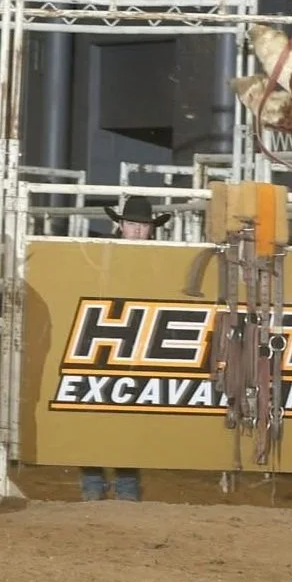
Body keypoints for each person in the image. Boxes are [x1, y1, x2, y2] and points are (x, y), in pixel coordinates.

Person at [79, 195, 172, 502]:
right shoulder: (100, 255)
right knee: (93, 412)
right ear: (120, 225)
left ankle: (124, 482)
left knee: (130, 415)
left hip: (136, 343)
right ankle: (95, 480)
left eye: (142, 226)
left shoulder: (157, 261)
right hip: (101, 341)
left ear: (151, 230)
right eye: (131, 224)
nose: (136, 231)